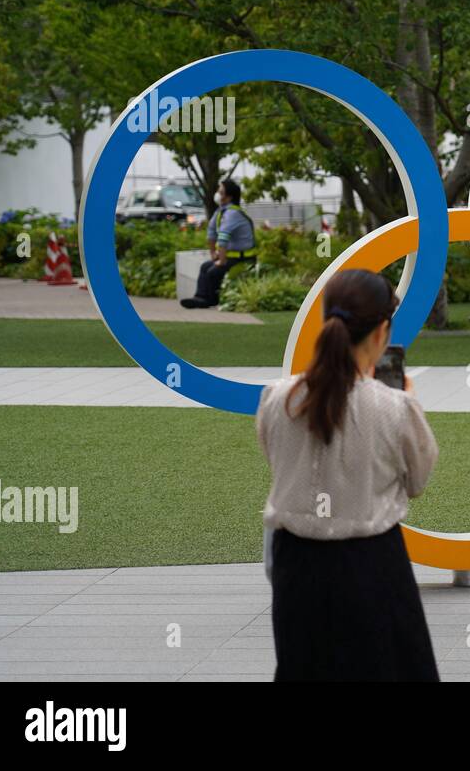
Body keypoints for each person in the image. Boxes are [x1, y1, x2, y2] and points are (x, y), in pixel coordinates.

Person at [255, 268, 441, 680]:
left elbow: (279, 463)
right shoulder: (394, 408)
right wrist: (407, 401)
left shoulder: (276, 398)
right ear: (382, 333)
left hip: (295, 564)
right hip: (371, 564)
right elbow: (418, 481)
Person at [181, 178, 256, 308]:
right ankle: (200, 297)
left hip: (243, 258)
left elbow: (223, 237)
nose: (217, 194)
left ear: (229, 196)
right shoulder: (221, 211)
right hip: (231, 257)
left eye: (220, 192)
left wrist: (221, 260)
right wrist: (213, 254)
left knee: (213, 271)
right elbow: (211, 233)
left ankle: (211, 300)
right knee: (205, 266)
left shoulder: (233, 213)